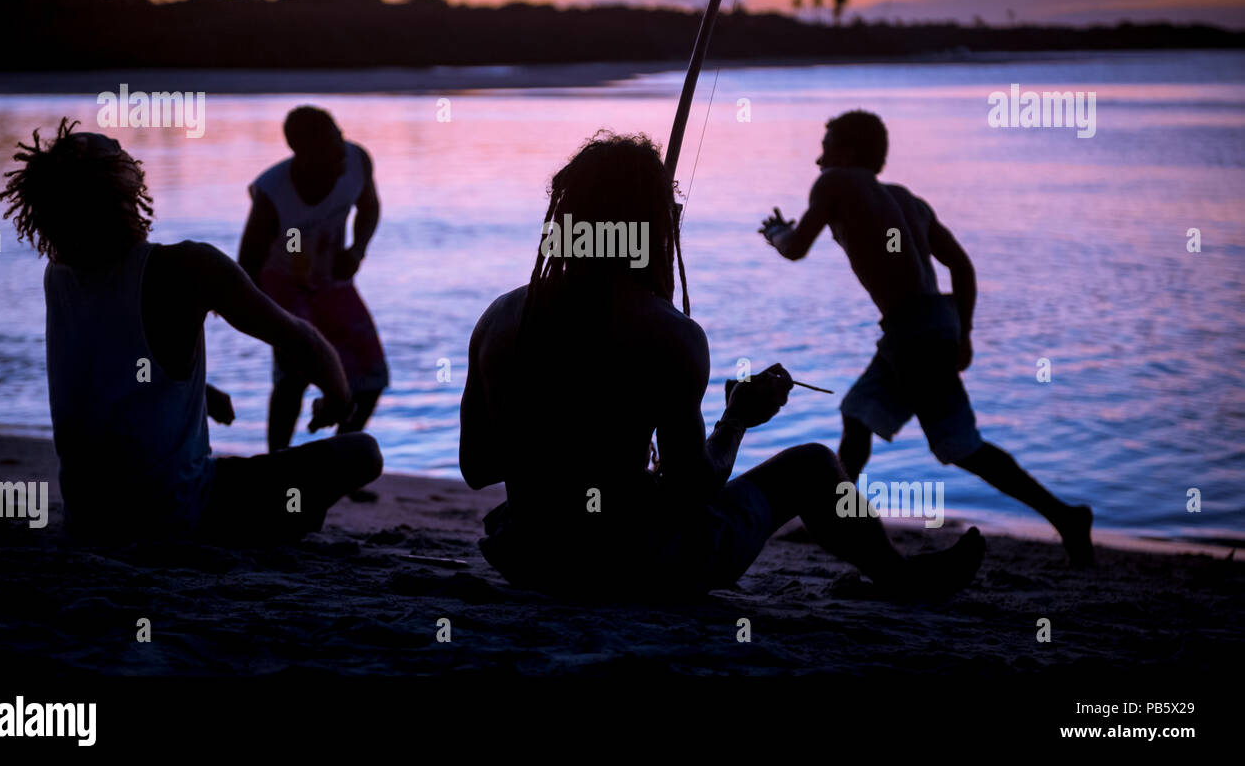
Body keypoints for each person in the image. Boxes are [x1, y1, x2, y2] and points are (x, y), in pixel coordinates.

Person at [460, 131, 985, 598]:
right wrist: (737, 419)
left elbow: (477, 467)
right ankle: (900, 577)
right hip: (638, 565)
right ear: (652, 224)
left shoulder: (499, 319)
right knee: (814, 465)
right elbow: (693, 490)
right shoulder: (671, 335)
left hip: (529, 560)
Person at [0, 118, 381, 544]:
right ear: (127, 191)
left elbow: (113, 366)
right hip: (177, 514)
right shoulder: (187, 267)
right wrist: (340, 397)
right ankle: (283, 527)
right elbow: (303, 339)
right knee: (362, 452)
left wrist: (199, 389)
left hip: (89, 518)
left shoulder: (58, 277)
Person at [758, 110, 1093, 566]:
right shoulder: (907, 200)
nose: (819, 157)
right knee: (857, 415)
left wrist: (777, 233)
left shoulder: (834, 183)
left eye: (828, 145)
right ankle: (839, 519)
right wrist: (965, 334)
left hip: (915, 331)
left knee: (960, 445)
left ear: (850, 152)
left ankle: (1066, 517)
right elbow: (962, 267)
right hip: (926, 325)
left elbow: (796, 249)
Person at [238, 106, 388, 455]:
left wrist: (356, 251)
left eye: (339, 139)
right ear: (300, 154)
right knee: (292, 379)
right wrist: (273, 325)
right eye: (327, 150)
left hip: (332, 282)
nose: (339, 155)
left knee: (371, 377)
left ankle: (339, 460)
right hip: (281, 288)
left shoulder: (357, 160)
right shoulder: (272, 194)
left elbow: (370, 206)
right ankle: (277, 464)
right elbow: (246, 267)